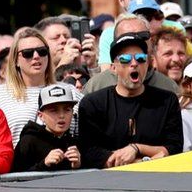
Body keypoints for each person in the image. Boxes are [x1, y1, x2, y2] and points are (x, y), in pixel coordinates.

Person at [77, 30, 184, 168]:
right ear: (113, 68)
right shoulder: (93, 103)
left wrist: (136, 148)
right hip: (107, 183)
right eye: (125, 59)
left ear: (147, 64)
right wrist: (141, 161)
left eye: (140, 58)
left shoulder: (167, 100)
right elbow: (90, 152)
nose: (134, 63)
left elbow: (174, 147)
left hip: (157, 180)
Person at [96, 0, 187, 69]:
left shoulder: (175, 28)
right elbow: (107, 73)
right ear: (121, 0)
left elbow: (186, 67)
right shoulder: (110, 34)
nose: (140, 0)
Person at [0, 28, 61, 146]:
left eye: (42, 51)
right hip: (18, 163)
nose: (36, 56)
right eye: (28, 53)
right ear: (16, 60)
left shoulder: (69, 91)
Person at [81, 14, 181, 96]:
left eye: (142, 36)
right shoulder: (96, 86)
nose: (136, 42)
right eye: (127, 37)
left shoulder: (169, 88)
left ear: (151, 42)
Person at [10, 84, 82, 172]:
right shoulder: (29, 141)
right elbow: (14, 176)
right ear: (41, 116)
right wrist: (44, 164)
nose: (61, 115)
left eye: (67, 110)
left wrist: (78, 166)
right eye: (54, 110)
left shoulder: (74, 142)